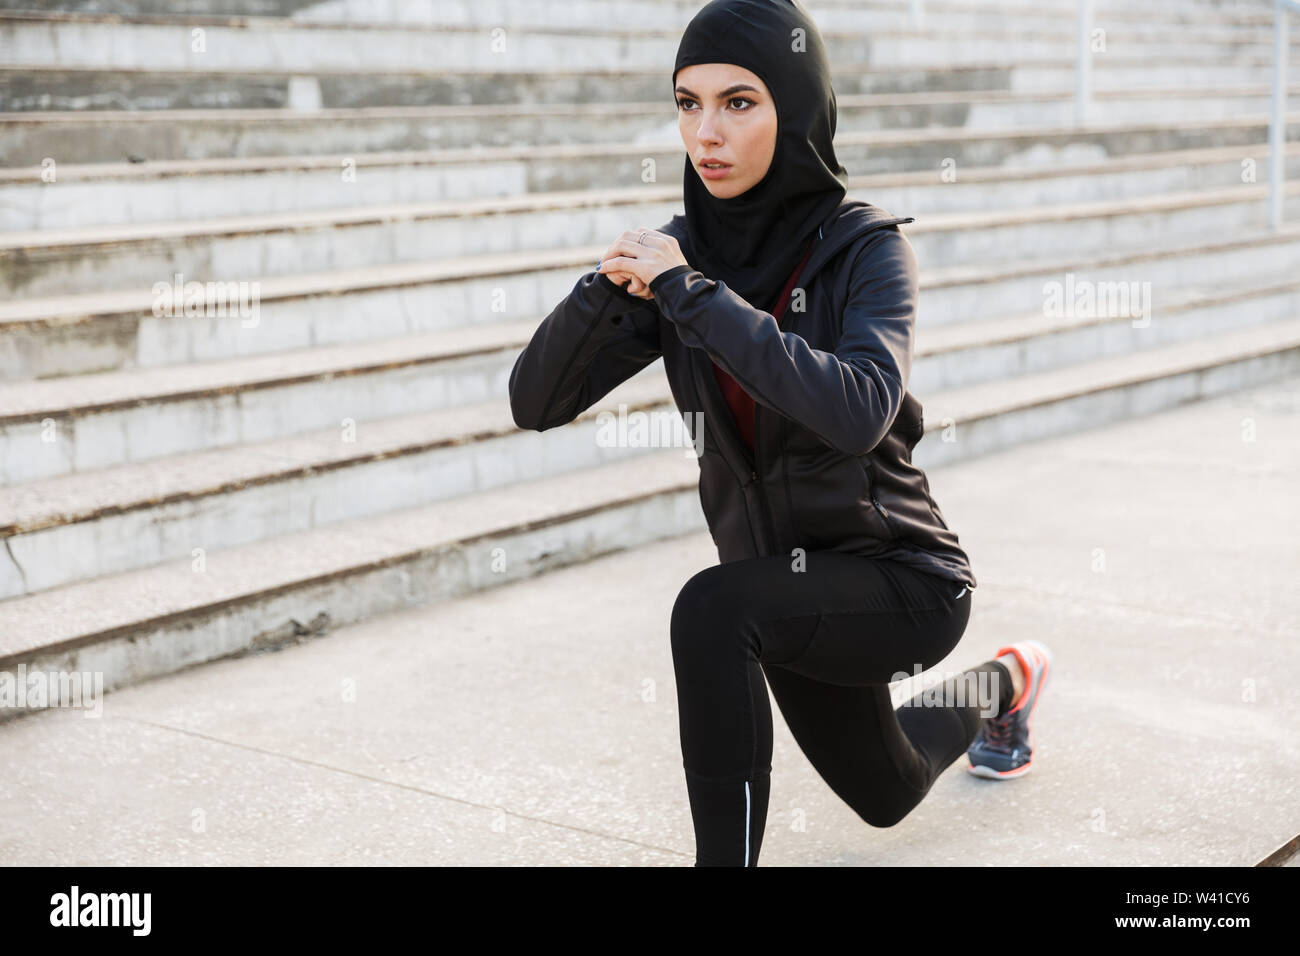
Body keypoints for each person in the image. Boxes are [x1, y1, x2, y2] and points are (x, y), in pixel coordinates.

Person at [508, 0, 1054, 866]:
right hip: (785, 594)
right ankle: (1009, 681)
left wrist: (692, 294)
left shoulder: (865, 250)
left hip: (904, 582)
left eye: (739, 102)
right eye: (688, 103)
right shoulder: (681, 259)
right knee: (889, 792)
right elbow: (534, 403)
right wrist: (602, 292)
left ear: (795, 108)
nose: (706, 133)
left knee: (710, 609)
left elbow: (858, 406)